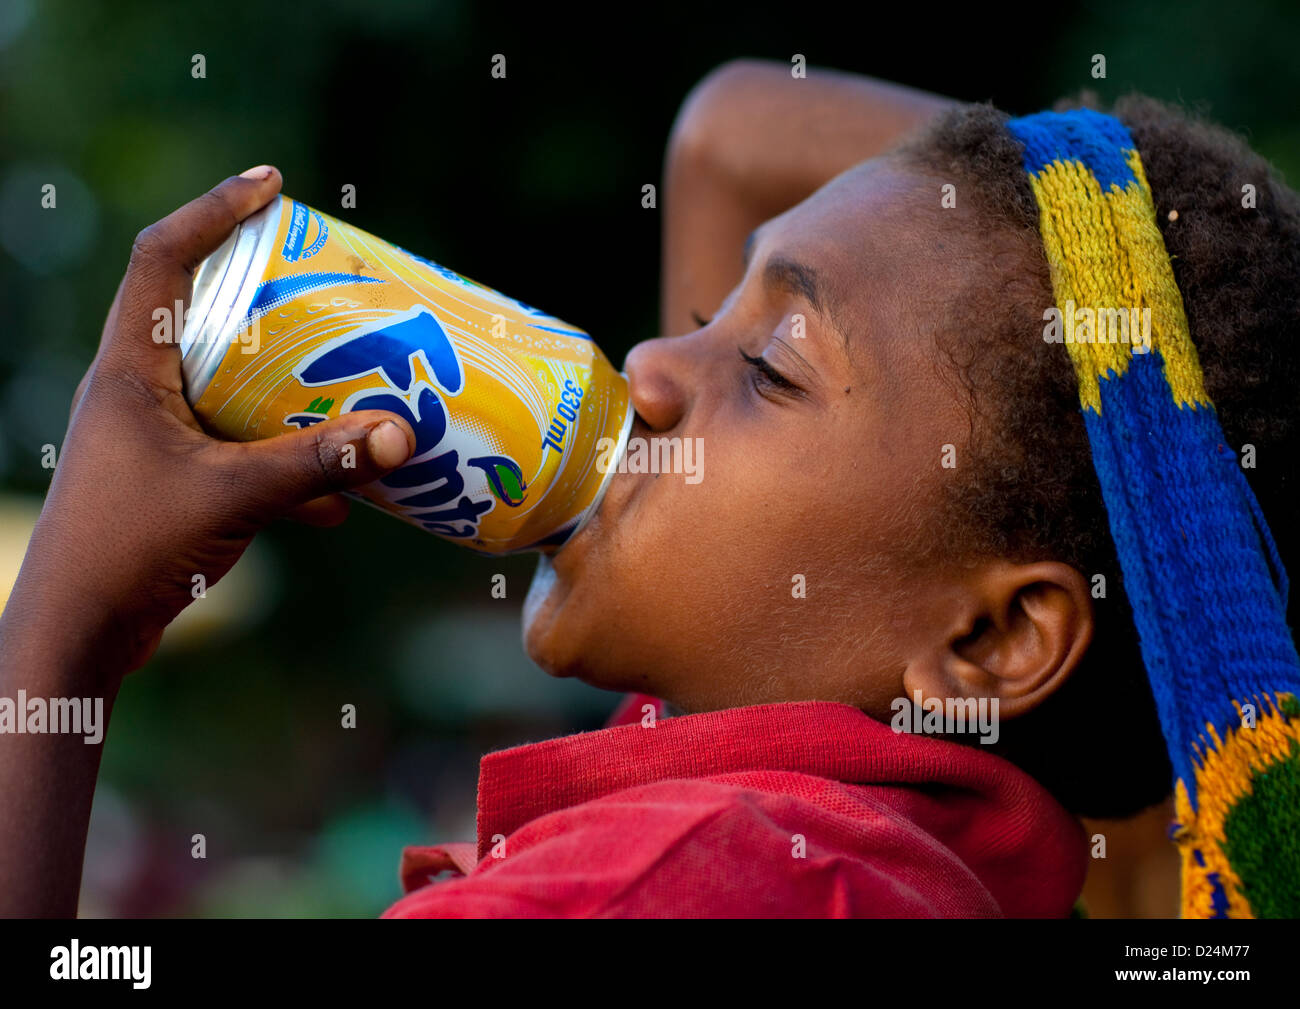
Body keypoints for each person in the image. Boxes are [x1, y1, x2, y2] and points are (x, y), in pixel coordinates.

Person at [2, 60, 1297, 918]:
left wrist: (62, 628)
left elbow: (737, 126)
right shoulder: (886, 839)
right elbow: (736, 130)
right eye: (703, 310)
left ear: (992, 636)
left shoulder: (675, 880)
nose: (653, 365)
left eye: (773, 370)